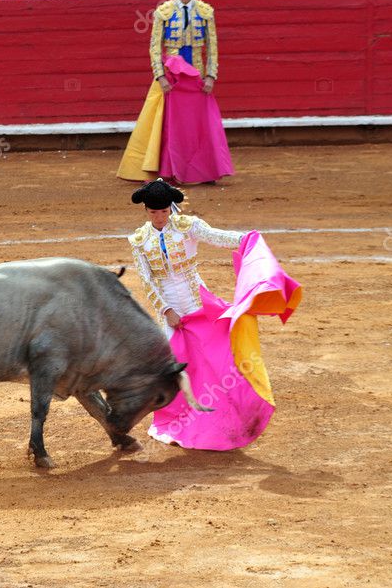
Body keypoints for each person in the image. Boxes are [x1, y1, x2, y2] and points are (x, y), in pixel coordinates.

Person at [127, 179, 301, 451]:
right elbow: (147, 281)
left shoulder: (188, 226)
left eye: (163, 211)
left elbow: (217, 237)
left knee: (217, 355)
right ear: (146, 211)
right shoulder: (139, 241)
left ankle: (232, 410)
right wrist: (167, 310)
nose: (159, 217)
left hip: (198, 301)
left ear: (170, 209)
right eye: (153, 212)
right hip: (170, 305)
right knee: (176, 363)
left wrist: (245, 240)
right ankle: (183, 419)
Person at [117, 0, 232, 185]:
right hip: (171, 75)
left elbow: (212, 47)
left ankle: (203, 171)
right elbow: (155, 47)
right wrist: (160, 76)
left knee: (195, 124)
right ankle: (164, 169)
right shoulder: (164, 12)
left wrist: (210, 75)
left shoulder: (206, 12)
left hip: (195, 74)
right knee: (167, 124)